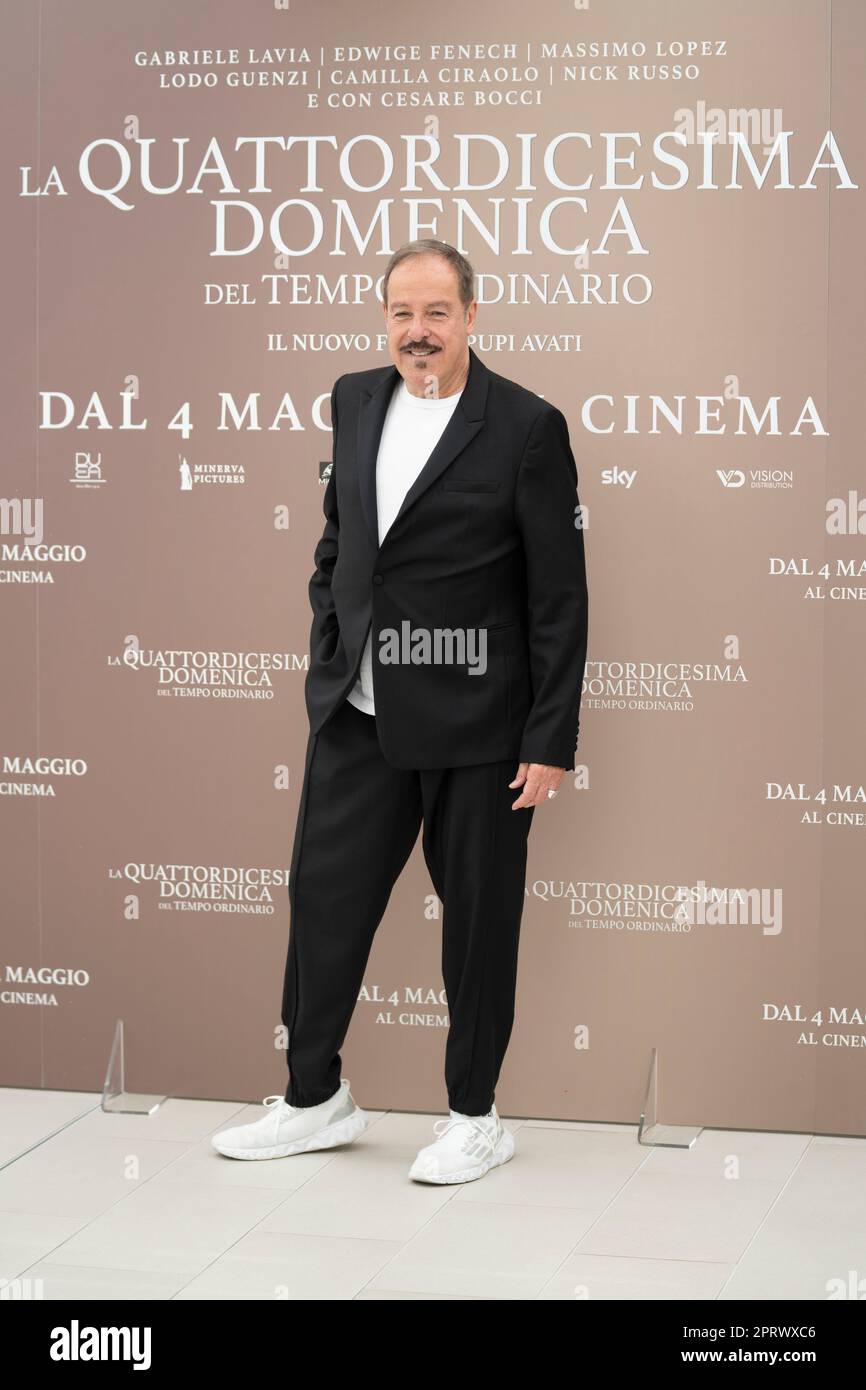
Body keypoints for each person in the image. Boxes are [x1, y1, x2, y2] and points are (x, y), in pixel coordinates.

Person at [213, 239, 589, 1184]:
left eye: (436, 314)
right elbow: (341, 540)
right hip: (361, 716)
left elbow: (558, 597)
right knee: (322, 904)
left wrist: (549, 738)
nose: (416, 333)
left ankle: (474, 1116)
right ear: (384, 320)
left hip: (480, 729)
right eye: (400, 315)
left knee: (477, 928)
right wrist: (332, 655)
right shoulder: (354, 398)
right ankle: (314, 1099)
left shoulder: (527, 426)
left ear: (471, 317)